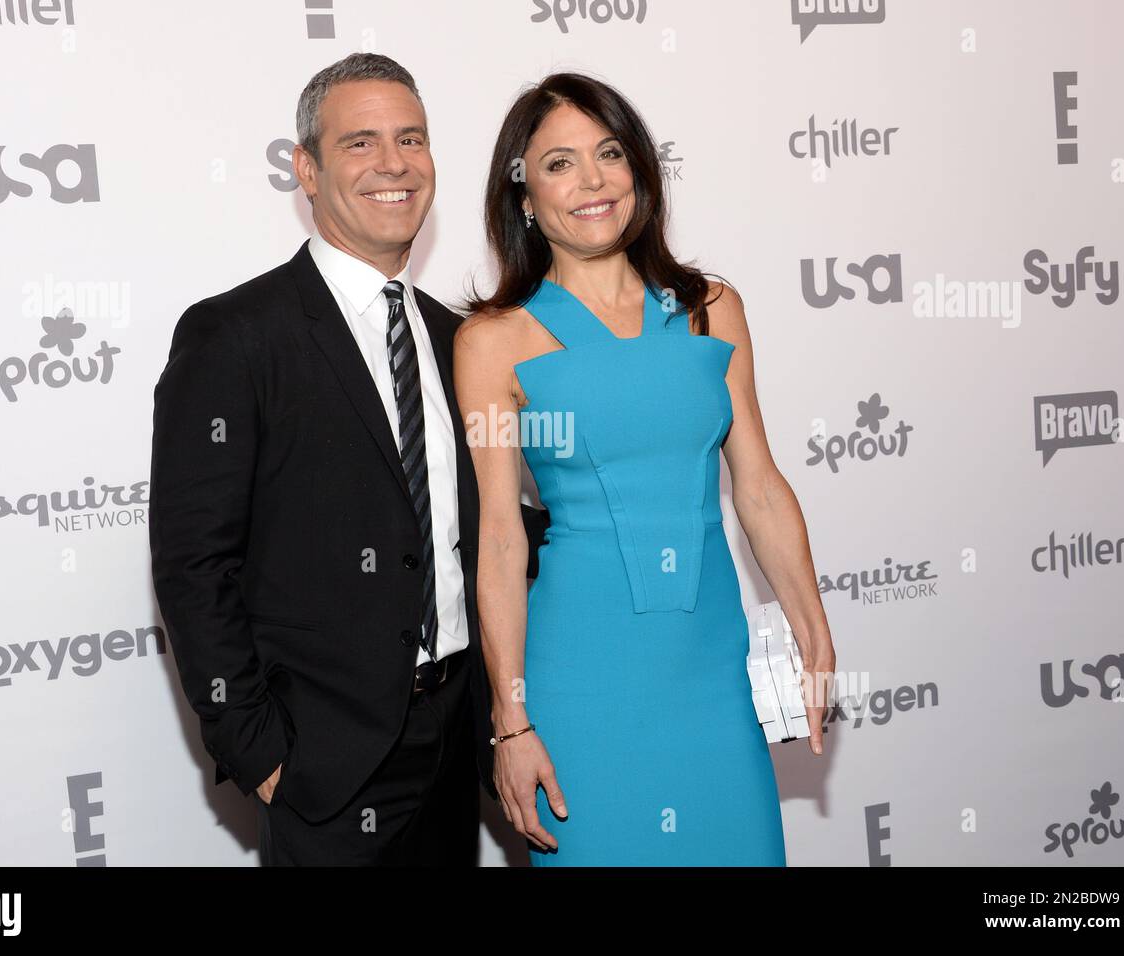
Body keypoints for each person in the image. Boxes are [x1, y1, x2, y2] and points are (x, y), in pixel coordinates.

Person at [149, 52, 547, 866]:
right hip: (324, 764)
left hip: (455, 746)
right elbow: (194, 565)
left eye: (412, 139)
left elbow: (490, 530)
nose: (394, 164)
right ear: (307, 168)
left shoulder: (458, 339)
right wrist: (260, 753)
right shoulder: (235, 336)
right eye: (361, 143)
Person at [454, 72, 837, 865]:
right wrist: (511, 720)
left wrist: (813, 629)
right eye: (559, 164)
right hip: (580, 680)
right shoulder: (494, 340)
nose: (592, 181)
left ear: (641, 173)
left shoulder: (709, 307)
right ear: (525, 196)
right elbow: (497, 540)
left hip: (711, 672)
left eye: (610, 154)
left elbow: (759, 486)